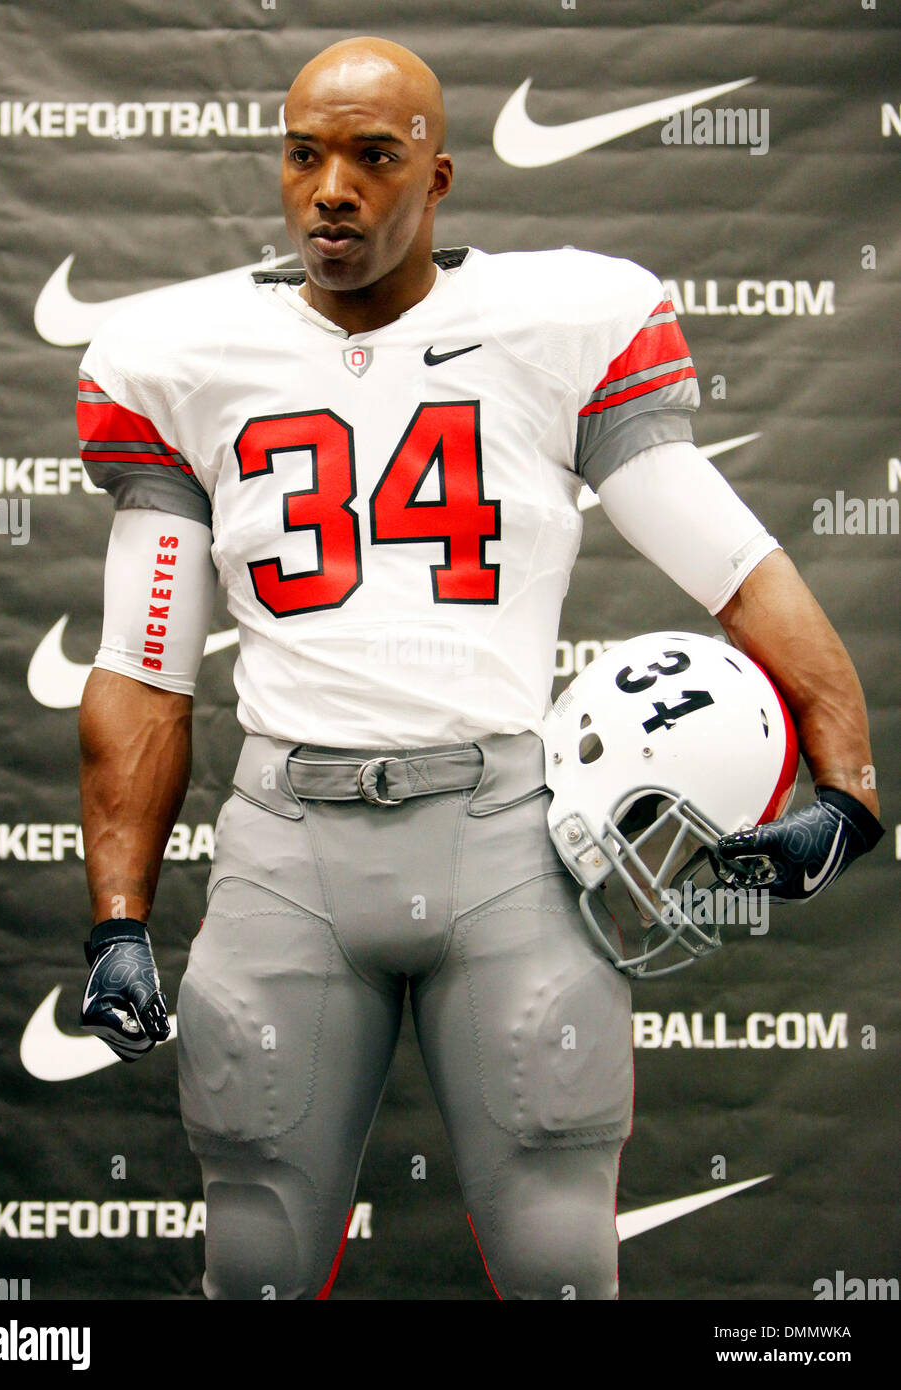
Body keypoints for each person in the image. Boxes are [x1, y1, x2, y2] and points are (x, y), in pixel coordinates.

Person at [74, 37, 883, 1299]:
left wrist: (849, 779)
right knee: (253, 1249)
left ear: (436, 176)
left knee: (561, 1244)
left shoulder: (551, 323)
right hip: (287, 838)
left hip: (504, 830)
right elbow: (144, 664)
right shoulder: (186, 359)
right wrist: (117, 919)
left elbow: (730, 560)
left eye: (371, 157)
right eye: (303, 155)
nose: (329, 188)